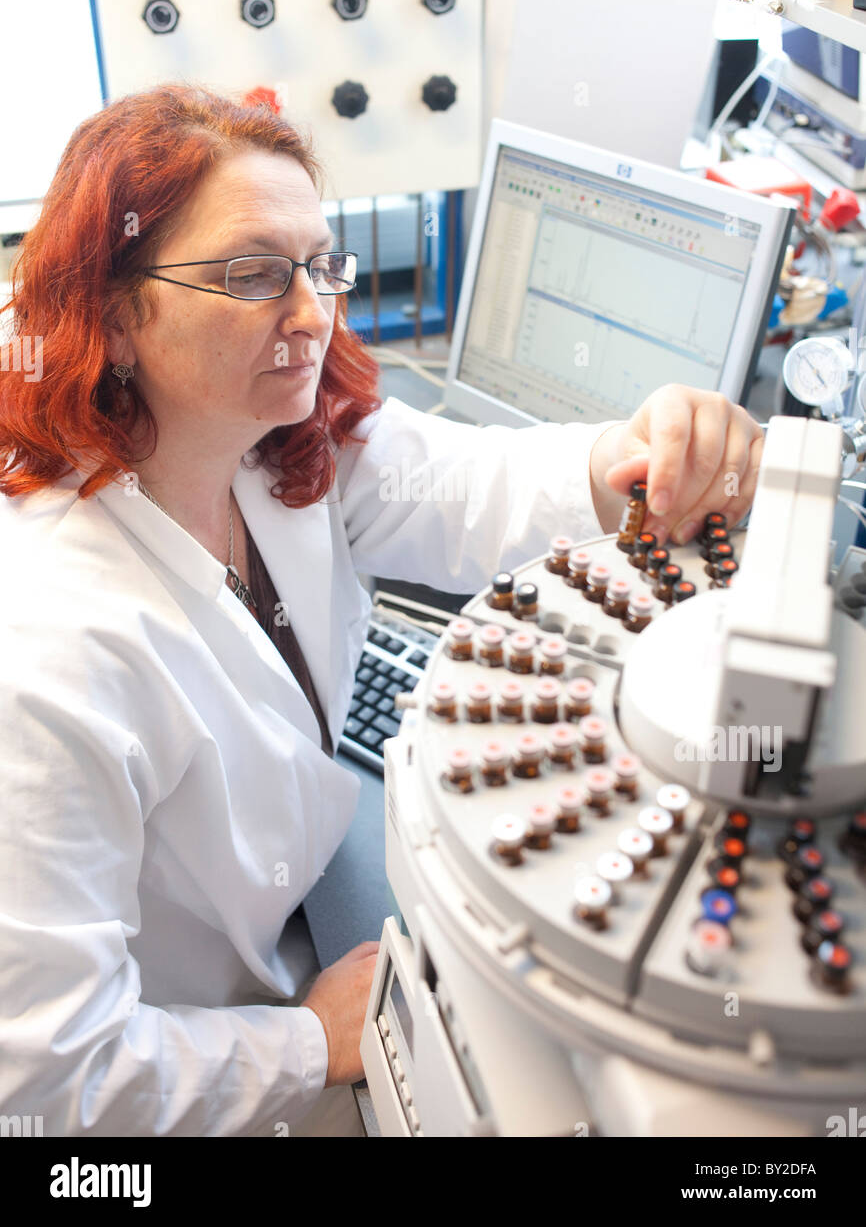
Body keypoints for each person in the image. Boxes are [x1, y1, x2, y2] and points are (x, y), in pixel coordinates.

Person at [0, 84, 764, 1137]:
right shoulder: (49, 651)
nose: (313, 314)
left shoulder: (255, 439)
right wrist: (308, 1042)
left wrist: (624, 455)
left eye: (322, 266)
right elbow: (48, 1086)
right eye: (255, 274)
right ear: (118, 312)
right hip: (202, 1055)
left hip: (299, 921)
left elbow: (449, 482)